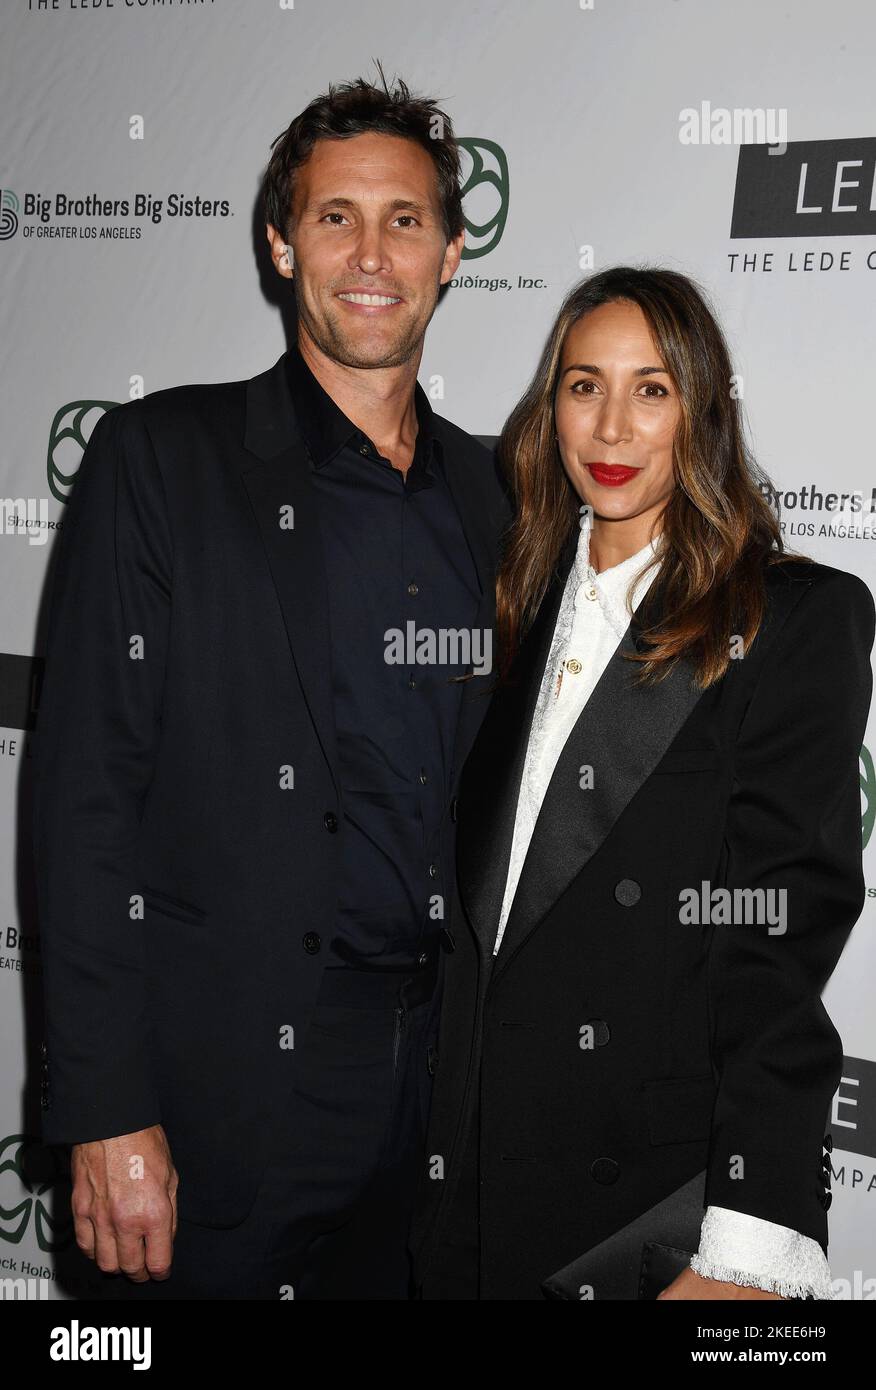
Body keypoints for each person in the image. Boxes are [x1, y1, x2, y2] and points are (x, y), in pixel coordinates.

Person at [33, 69, 509, 1300]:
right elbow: (84, 800)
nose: (370, 253)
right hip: (214, 1096)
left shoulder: (504, 498)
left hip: (436, 1097)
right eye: (333, 215)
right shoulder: (163, 461)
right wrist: (104, 1111)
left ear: (453, 252)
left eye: (405, 220)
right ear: (280, 244)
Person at [410, 267, 874, 1300]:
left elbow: (777, 943)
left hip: (636, 1212)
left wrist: (746, 1240)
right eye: (584, 386)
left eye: (651, 389)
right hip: (456, 1184)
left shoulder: (793, 620)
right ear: (550, 407)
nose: (611, 425)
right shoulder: (511, 598)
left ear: (701, 410)